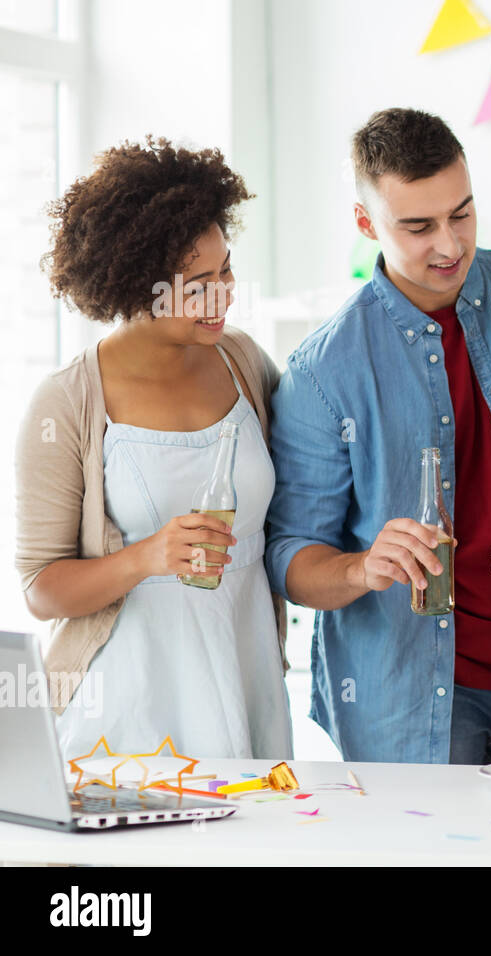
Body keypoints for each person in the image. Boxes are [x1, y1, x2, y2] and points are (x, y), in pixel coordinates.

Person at [264, 108, 491, 765]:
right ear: (366, 223)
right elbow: (291, 558)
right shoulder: (322, 373)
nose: (450, 246)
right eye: (418, 227)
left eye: (462, 214)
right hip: (410, 695)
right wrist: (362, 567)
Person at [16, 137, 291, 759]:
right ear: (139, 286)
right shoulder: (67, 402)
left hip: (246, 678)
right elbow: (41, 587)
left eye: (226, 271)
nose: (223, 295)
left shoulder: (245, 362)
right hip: (123, 704)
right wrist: (146, 557)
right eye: (197, 286)